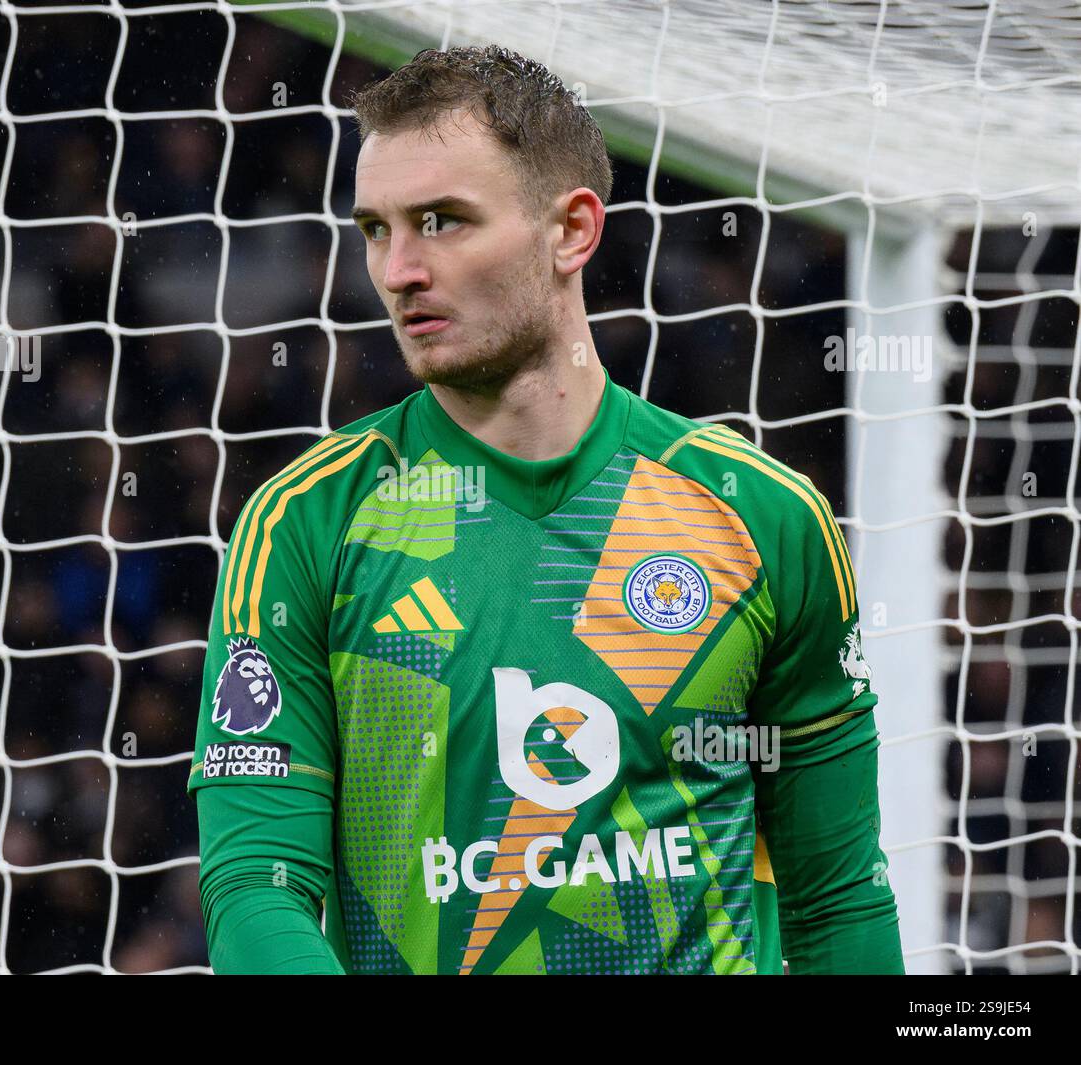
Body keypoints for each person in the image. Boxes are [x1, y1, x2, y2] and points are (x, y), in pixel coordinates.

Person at [188, 44, 903, 974]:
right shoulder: (306, 523)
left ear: (572, 230)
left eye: (441, 222)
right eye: (375, 228)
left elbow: (838, 896)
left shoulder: (763, 514)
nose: (399, 269)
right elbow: (256, 887)